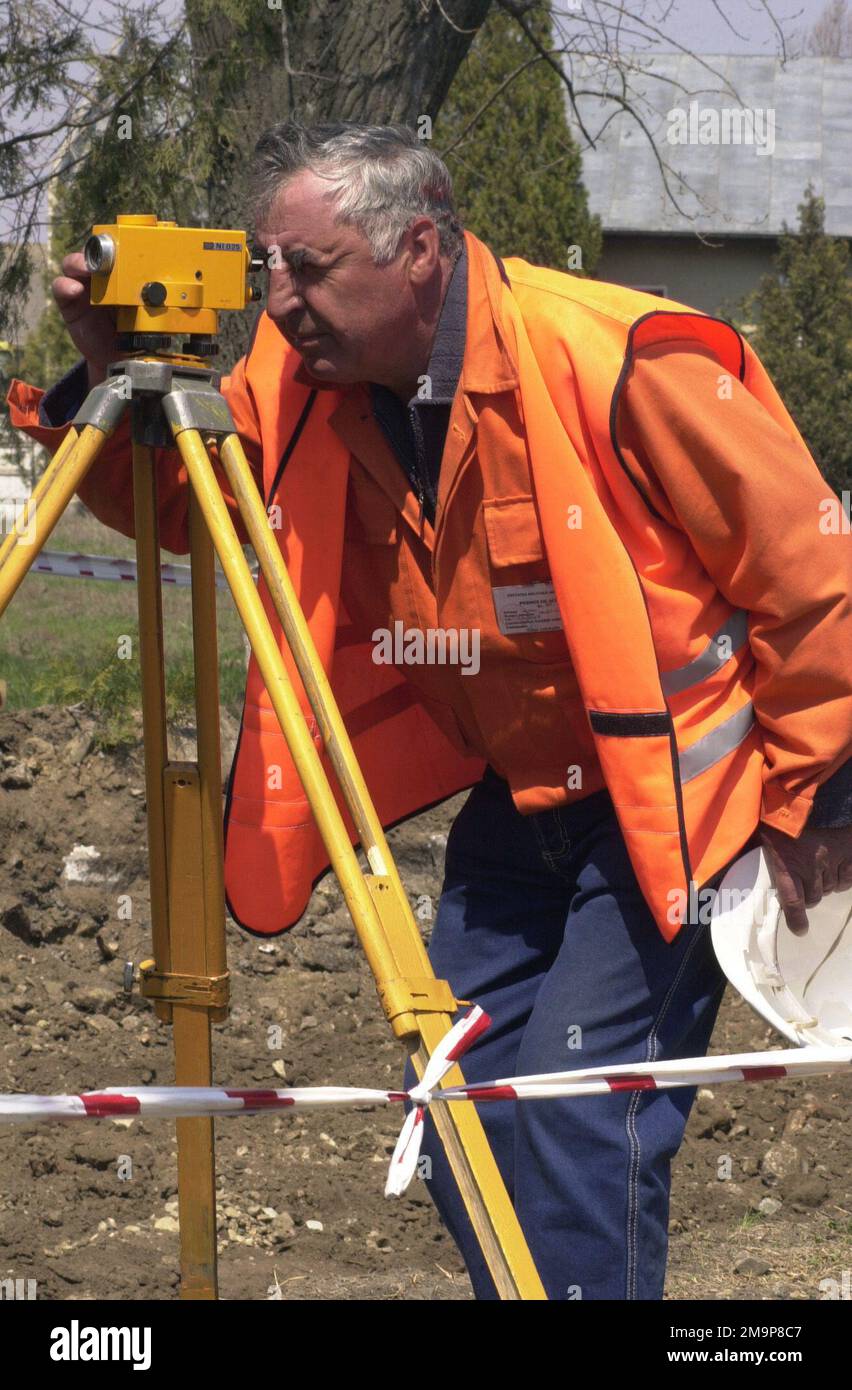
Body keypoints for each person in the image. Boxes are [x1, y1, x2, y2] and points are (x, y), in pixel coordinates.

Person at [7, 122, 852, 1301]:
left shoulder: (615, 357)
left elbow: (809, 573)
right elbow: (185, 513)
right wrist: (105, 380)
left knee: (575, 1113)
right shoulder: (301, 386)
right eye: (271, 270)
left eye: (311, 268)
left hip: (670, 807)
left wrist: (818, 792)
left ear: (418, 250)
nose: (284, 301)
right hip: (520, 797)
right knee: (455, 1109)